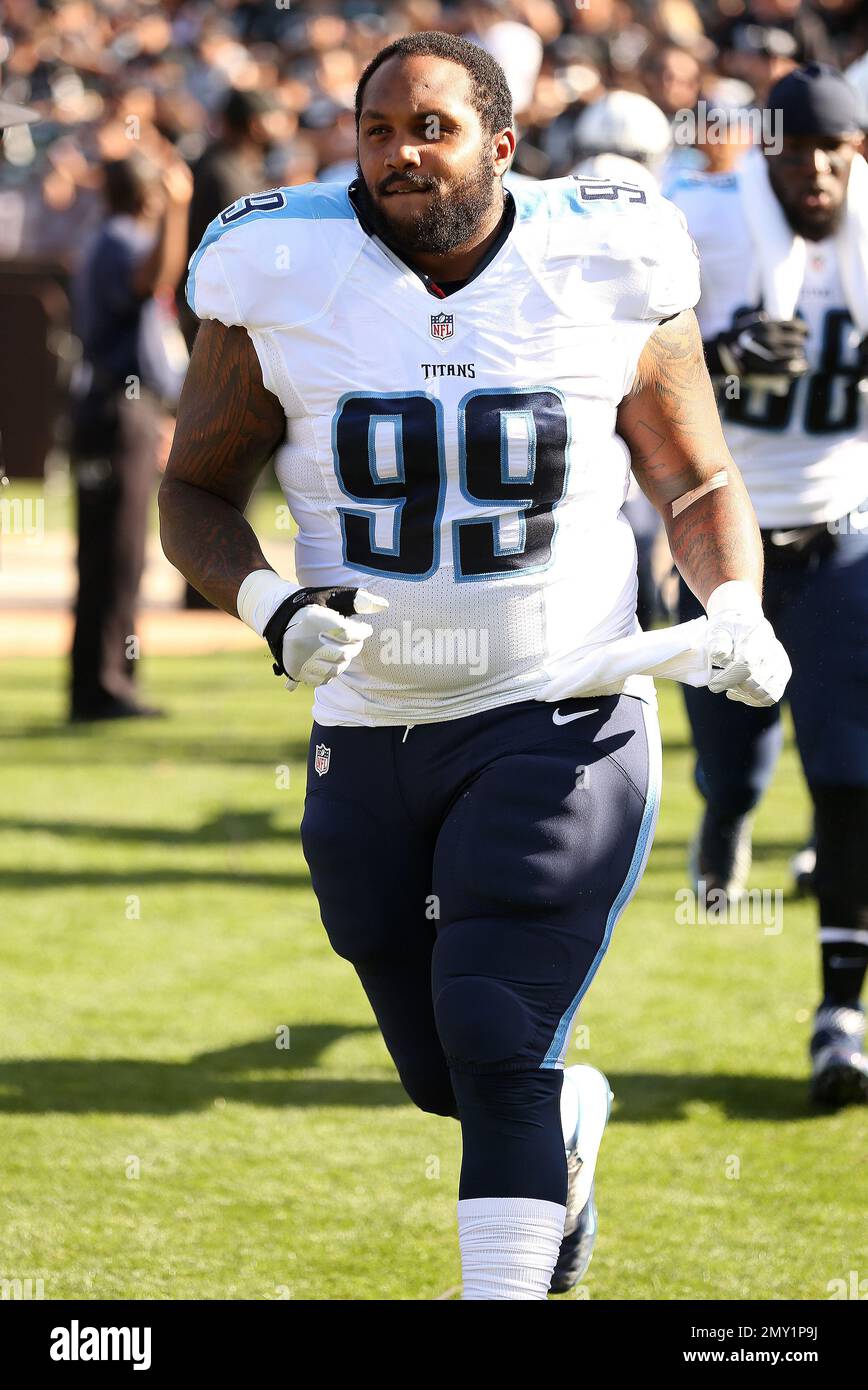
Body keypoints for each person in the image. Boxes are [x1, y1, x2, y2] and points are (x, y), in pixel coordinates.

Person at [159, 31, 789, 1300]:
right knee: (447, 1072)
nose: (398, 153)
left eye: (430, 128)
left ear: (502, 143)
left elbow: (697, 476)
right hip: (370, 725)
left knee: (496, 1039)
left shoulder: (606, 253)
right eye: (377, 129)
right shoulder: (277, 265)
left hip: (560, 709)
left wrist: (736, 603)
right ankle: (561, 1128)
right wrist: (275, 608)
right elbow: (191, 491)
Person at [668, 64, 868, 1108]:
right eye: (798, 157)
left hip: (844, 539)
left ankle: (841, 1012)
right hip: (722, 543)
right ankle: (726, 813)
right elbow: (634, 374)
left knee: (850, 775)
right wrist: (725, 361)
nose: (819, 176)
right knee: (736, 771)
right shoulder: (707, 223)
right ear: (763, 158)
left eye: (836, 156)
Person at [69, 147, 192, 722]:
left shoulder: (107, 236)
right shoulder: (122, 239)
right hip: (117, 409)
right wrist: (179, 209)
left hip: (122, 407)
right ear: (147, 196)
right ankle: (102, 688)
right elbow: (153, 281)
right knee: (115, 557)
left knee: (115, 556)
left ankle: (104, 684)